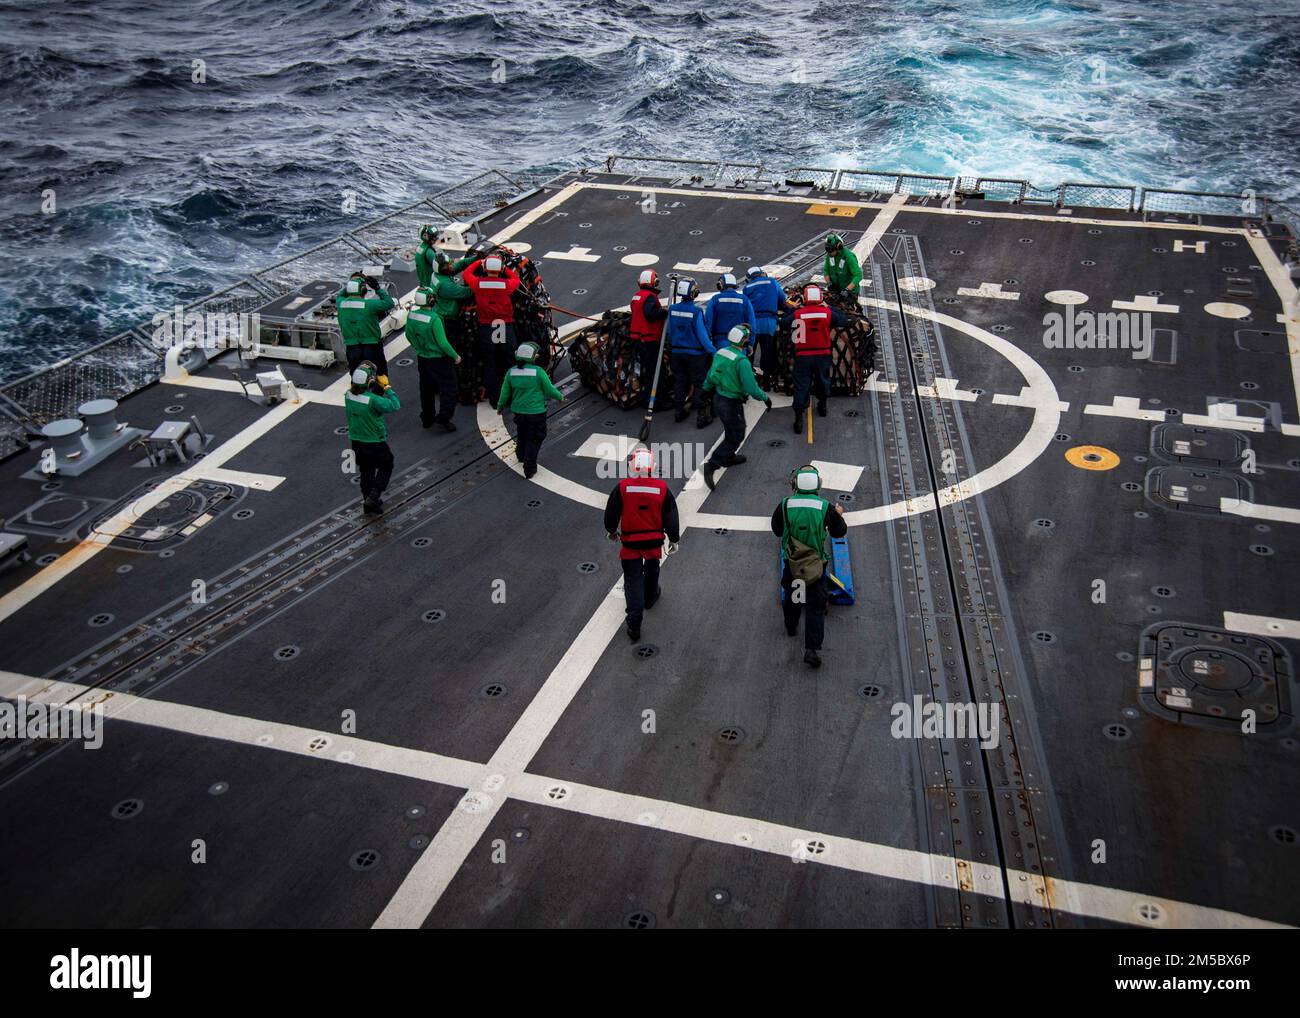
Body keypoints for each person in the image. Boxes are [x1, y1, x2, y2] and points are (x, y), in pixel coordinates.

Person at [772, 465, 847, 668]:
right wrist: (837, 513)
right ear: (818, 485)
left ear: (795, 484)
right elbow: (839, 532)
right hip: (815, 565)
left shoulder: (785, 504)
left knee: (794, 596)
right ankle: (811, 650)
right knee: (815, 607)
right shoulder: (824, 507)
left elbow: (777, 530)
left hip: (793, 563)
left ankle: (791, 626)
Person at [603, 447, 681, 643]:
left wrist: (612, 531)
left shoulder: (622, 487)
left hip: (630, 543)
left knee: (632, 580)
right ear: (652, 467)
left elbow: (611, 514)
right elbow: (671, 517)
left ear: (631, 466)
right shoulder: (662, 489)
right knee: (652, 569)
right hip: (653, 542)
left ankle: (634, 622)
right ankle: (650, 597)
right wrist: (674, 539)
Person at [701, 324, 771, 490]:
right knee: (737, 434)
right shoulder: (742, 361)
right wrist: (765, 398)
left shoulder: (720, 352)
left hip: (718, 398)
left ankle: (729, 457)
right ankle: (713, 464)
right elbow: (750, 388)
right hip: (731, 402)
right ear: (744, 341)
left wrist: (705, 390)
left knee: (729, 428)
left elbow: (711, 375)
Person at [461, 252, 522, 406]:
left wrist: (479, 262)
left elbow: (466, 273)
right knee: (508, 362)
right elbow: (516, 278)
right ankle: (512, 395)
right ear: (499, 269)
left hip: (487, 327)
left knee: (490, 364)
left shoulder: (478, 284)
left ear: (486, 268)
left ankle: (494, 399)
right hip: (504, 326)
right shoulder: (506, 285)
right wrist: (504, 268)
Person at [497, 341, 564, 478]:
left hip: (519, 412)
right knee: (536, 437)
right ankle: (529, 466)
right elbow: (549, 390)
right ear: (534, 357)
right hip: (536, 412)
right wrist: (560, 397)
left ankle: (520, 455)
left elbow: (504, 393)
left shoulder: (511, 372)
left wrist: (500, 406)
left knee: (522, 433)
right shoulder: (538, 372)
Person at [786, 284, 847, 433]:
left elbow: (783, 322)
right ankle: (823, 405)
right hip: (822, 355)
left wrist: (794, 308)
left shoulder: (798, 314)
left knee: (801, 386)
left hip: (802, 356)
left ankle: (799, 418)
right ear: (820, 298)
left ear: (805, 298)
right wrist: (829, 307)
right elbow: (843, 320)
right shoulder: (826, 313)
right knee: (823, 381)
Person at [343, 362, 400, 514]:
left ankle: (367, 500)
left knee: (366, 471)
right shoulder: (373, 400)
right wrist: (387, 387)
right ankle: (373, 497)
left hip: (356, 441)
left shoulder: (347, 395)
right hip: (374, 442)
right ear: (371, 382)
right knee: (387, 465)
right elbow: (395, 405)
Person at [405, 288, 461, 431]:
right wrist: (455, 356)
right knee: (450, 388)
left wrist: (419, 348)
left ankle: (427, 417)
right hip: (438, 359)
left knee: (426, 388)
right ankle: (444, 417)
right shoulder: (434, 319)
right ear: (431, 300)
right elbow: (443, 343)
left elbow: (408, 335)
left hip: (422, 358)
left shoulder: (411, 315)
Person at [666, 277, 715, 427]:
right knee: (700, 383)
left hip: (677, 353)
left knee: (680, 381)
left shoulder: (672, 309)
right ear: (693, 293)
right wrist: (713, 351)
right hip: (695, 355)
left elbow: (669, 332)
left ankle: (679, 411)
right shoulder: (696, 312)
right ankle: (701, 416)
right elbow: (702, 336)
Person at [336, 272, 395, 375]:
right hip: (372, 347)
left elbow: (341, 294)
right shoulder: (370, 305)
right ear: (364, 290)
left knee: (357, 377)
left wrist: (352, 284)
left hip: (352, 348)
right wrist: (377, 288)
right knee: (380, 374)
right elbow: (389, 303)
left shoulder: (340, 303)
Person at [629, 269, 669, 408]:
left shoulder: (637, 296)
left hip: (637, 339)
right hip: (649, 339)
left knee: (646, 370)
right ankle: (657, 402)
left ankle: (646, 397)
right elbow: (650, 313)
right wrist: (664, 312)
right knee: (657, 371)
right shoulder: (650, 297)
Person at [742, 265, 790, 378]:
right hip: (769, 323)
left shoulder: (747, 288)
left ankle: (748, 377)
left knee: (750, 352)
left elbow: (744, 307)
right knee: (768, 352)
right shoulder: (772, 282)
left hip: (752, 324)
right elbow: (783, 299)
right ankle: (768, 379)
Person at [703, 272, 756, 352]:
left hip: (720, 343)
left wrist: (707, 344)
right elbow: (751, 324)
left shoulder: (715, 300)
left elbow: (708, 324)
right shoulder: (744, 300)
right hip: (740, 343)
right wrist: (751, 343)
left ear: (721, 285)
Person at [822, 234, 862, 302]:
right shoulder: (830, 255)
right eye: (827, 249)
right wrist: (829, 283)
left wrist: (847, 290)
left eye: (831, 250)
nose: (829, 253)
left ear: (838, 247)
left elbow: (858, 275)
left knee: (848, 311)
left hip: (850, 291)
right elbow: (826, 270)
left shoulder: (849, 257)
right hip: (837, 289)